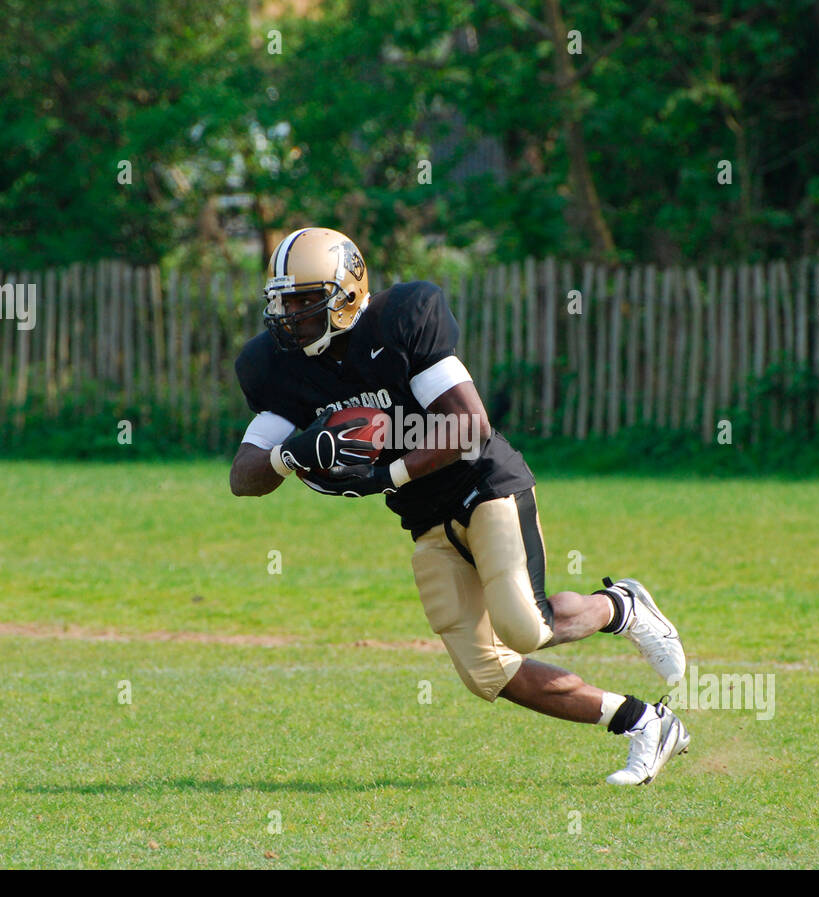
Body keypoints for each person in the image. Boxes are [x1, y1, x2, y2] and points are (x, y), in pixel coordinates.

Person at [230, 226, 690, 784]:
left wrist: (387, 473)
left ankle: (622, 606)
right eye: (284, 301)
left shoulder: (401, 319)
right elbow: (244, 476)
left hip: (483, 486)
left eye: (306, 299)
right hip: (423, 519)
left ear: (348, 293)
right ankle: (645, 724)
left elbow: (469, 424)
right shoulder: (277, 365)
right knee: (486, 671)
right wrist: (295, 452)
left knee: (524, 627)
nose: (290, 315)